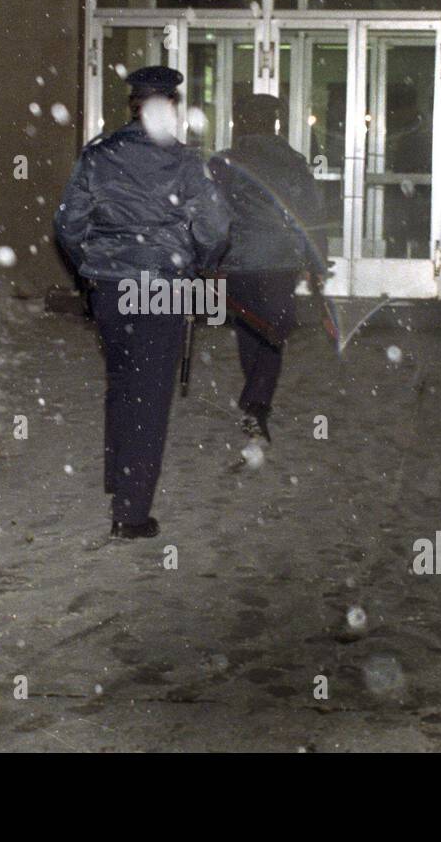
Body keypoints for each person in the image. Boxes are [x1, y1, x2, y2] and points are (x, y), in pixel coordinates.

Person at [55, 66, 229, 539]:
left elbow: (68, 224)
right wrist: (201, 261)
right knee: (150, 396)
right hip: (164, 286)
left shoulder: (98, 155)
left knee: (121, 378)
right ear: (169, 106)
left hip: (111, 286)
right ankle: (131, 514)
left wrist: (91, 267)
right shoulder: (187, 162)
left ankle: (118, 475)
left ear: (133, 106)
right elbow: (215, 228)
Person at [207, 93, 328, 446]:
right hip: (280, 259)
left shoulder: (225, 163)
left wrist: (208, 258)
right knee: (274, 330)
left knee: (250, 328)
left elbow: (211, 214)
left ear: (240, 122)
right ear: (274, 123)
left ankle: (255, 399)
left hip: (239, 259)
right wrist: (315, 259)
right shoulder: (293, 162)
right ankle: (258, 401)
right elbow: (311, 213)